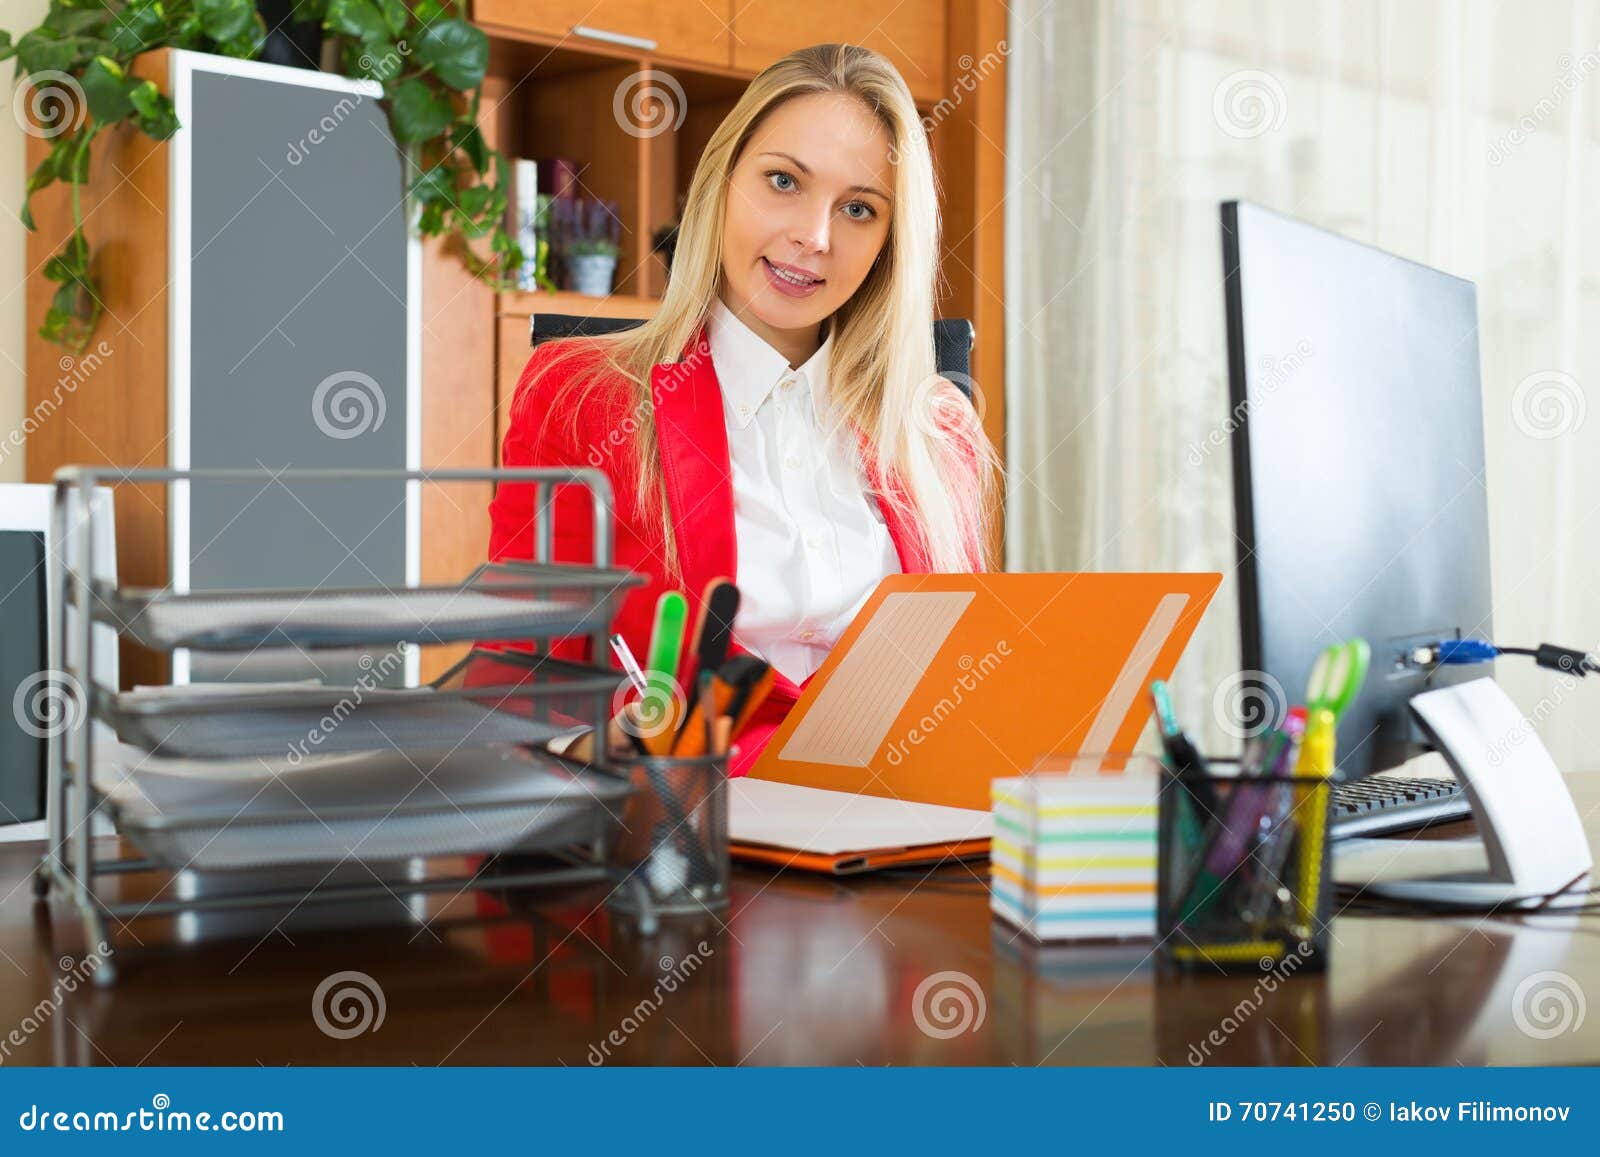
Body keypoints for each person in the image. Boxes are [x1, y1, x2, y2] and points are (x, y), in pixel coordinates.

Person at [487, 43, 1001, 774]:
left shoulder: (941, 431)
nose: (814, 237)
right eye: (784, 181)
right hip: (697, 837)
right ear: (722, 183)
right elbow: (520, 686)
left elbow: (968, 688)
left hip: (904, 835)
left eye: (859, 208)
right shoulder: (583, 397)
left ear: (892, 240)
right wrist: (607, 746)